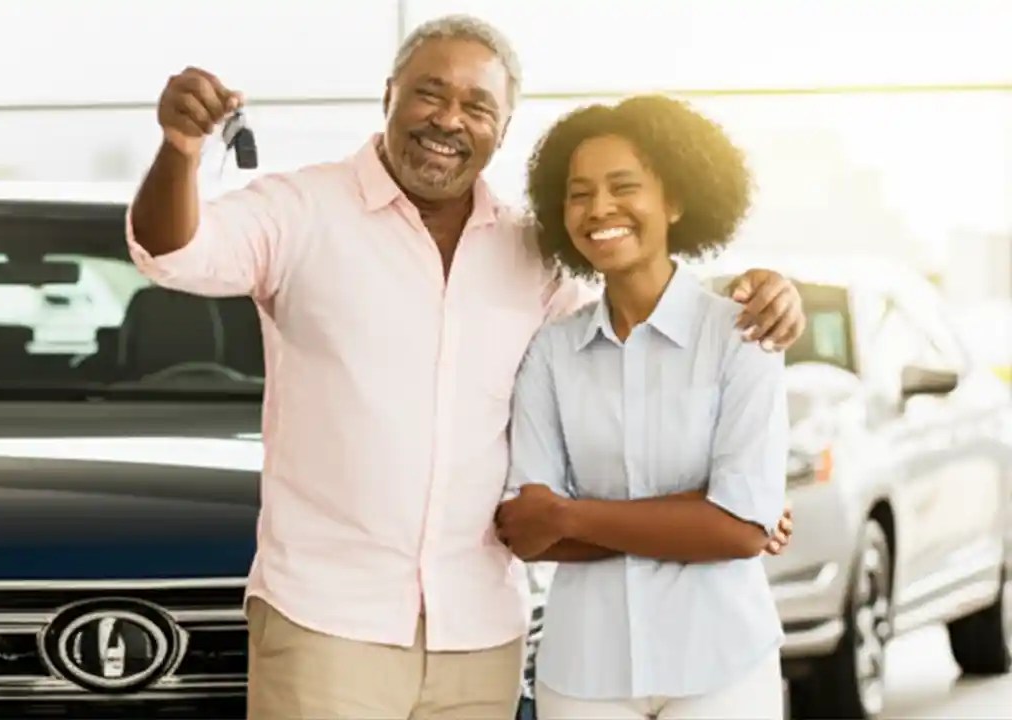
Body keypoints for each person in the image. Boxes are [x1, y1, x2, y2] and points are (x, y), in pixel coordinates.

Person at [126, 15, 801, 719]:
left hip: (479, 631)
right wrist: (181, 150)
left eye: (478, 107)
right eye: (429, 93)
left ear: (502, 130)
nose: (449, 120)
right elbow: (173, 252)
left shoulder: (531, 254)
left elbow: (635, 329)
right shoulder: (301, 211)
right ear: (389, 95)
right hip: (328, 620)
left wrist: (733, 500)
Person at [494, 95, 789, 719]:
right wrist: (698, 515)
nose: (599, 208)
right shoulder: (551, 352)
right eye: (579, 193)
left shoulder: (744, 335)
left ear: (675, 201)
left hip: (722, 661)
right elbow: (529, 529)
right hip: (585, 672)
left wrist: (572, 515)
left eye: (623, 186)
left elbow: (740, 529)